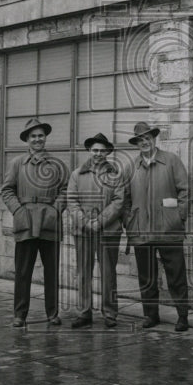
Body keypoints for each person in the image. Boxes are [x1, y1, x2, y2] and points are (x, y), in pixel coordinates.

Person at [0, 117, 68, 328]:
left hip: (49, 223)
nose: (37, 139)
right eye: (33, 136)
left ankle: (52, 313)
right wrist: (18, 211)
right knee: (23, 271)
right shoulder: (17, 163)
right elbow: (7, 190)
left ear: (45, 138)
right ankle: (20, 314)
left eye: (40, 136)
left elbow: (65, 190)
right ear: (27, 140)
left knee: (51, 271)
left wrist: (55, 210)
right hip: (26, 222)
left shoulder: (57, 164)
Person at [124, 121, 190, 331]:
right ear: (136, 144)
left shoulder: (171, 161)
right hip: (141, 231)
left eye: (147, 138)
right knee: (147, 276)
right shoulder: (131, 167)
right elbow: (124, 199)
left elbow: (184, 191)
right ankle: (151, 315)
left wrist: (177, 218)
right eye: (140, 140)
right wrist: (130, 222)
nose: (144, 142)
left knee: (176, 274)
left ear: (154, 139)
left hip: (168, 229)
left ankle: (182, 316)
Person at [66, 132, 125, 329]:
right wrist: (86, 222)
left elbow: (119, 201)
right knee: (83, 272)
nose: (98, 154)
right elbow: (72, 201)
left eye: (102, 150)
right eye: (95, 150)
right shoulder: (77, 175)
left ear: (107, 152)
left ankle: (110, 313)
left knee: (108, 273)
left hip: (108, 231)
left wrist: (99, 222)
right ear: (89, 151)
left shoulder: (115, 175)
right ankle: (84, 312)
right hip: (83, 231)